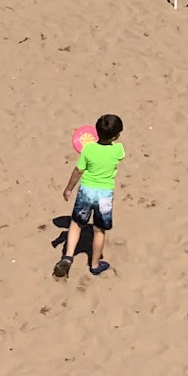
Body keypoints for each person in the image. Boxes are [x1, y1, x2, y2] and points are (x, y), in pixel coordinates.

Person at [55, 114, 124, 278]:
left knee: (76, 223)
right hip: (104, 195)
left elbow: (78, 171)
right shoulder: (118, 150)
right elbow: (116, 153)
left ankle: (68, 257)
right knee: (99, 230)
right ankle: (94, 265)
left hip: (86, 191)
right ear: (115, 136)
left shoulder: (87, 149)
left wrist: (69, 189)